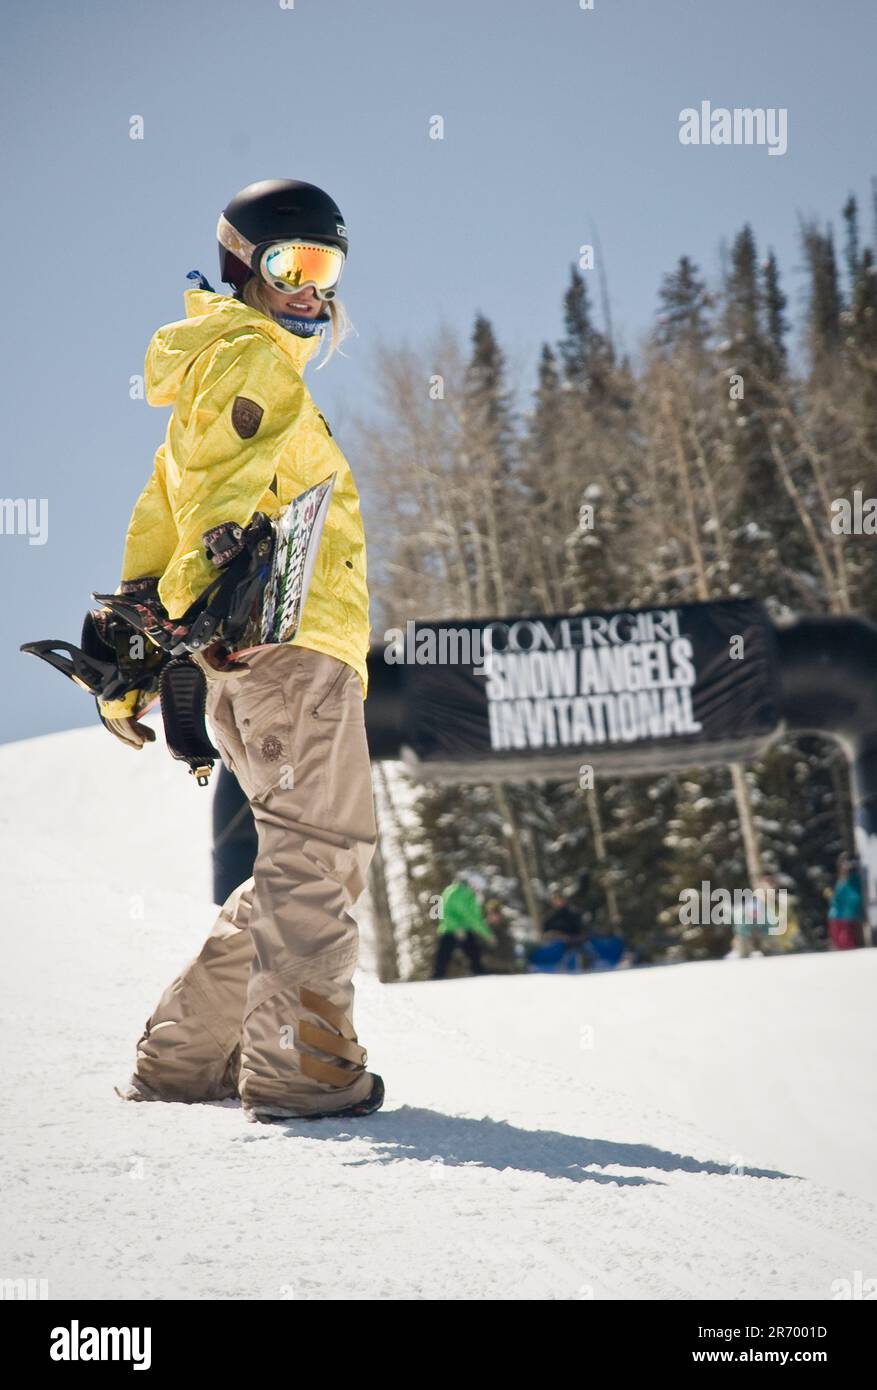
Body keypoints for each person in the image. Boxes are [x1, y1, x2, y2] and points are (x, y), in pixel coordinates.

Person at [103, 179, 383, 1122]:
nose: (309, 289)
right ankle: (305, 1069)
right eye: (288, 265)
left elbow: (160, 517)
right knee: (321, 856)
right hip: (288, 650)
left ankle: (182, 1061)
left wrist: (138, 644)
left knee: (301, 862)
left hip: (259, 661)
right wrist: (203, 580)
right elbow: (217, 501)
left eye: (324, 268)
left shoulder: (214, 370)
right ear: (240, 264)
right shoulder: (253, 362)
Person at [431, 874, 496, 979]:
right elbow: (445, 912)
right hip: (449, 930)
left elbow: (475, 919)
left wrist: (487, 934)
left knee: (474, 953)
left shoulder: (471, 896)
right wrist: (456, 928)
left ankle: (480, 974)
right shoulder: (454, 892)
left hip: (465, 930)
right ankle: (437, 978)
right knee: (443, 957)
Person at [827, 854, 865, 951]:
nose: (842, 869)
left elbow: (853, 898)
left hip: (844, 917)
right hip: (837, 916)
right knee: (839, 943)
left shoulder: (852, 881)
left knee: (845, 944)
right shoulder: (843, 881)